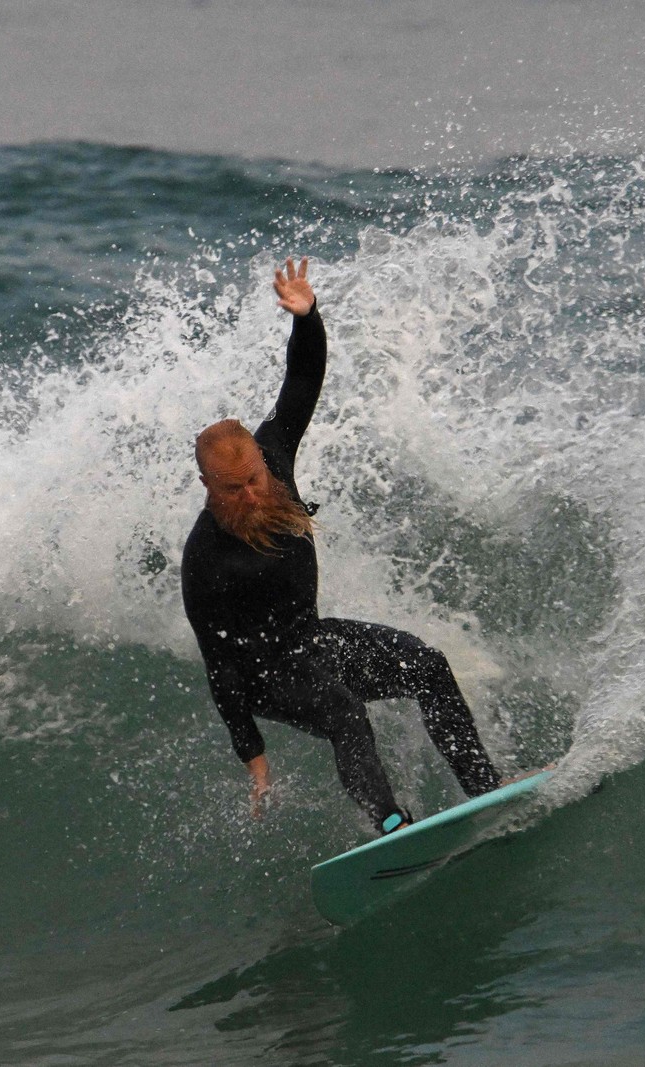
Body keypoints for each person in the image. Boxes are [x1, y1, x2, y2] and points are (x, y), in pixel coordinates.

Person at [181, 257, 503, 836]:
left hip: (309, 639)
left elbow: (302, 381)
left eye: (255, 476)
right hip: (260, 673)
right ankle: (389, 825)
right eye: (236, 488)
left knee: (426, 665)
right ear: (208, 486)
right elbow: (219, 665)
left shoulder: (272, 456)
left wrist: (307, 319)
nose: (254, 494)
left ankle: (487, 790)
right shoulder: (206, 559)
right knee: (344, 712)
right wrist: (253, 758)